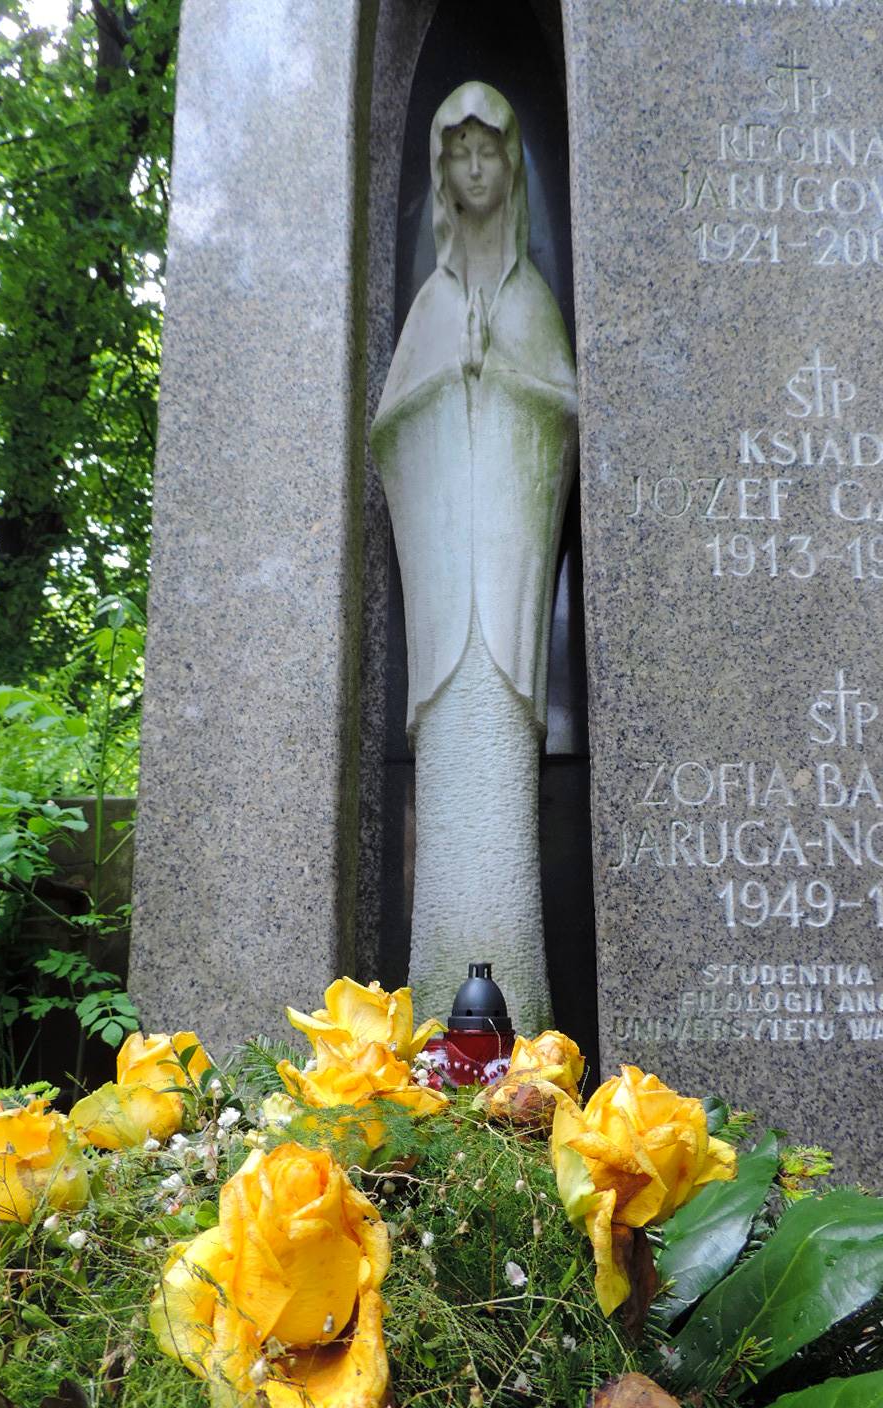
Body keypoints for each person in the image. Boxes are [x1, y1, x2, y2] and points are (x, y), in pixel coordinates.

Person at [371, 81, 578, 1033]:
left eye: (488, 149)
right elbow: (387, 431)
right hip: (448, 596)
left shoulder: (533, 299)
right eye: (456, 154)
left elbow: (568, 417)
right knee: (454, 813)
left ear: (511, 164)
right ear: (441, 173)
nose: (473, 168)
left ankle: (525, 1030)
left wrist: (504, 382)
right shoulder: (430, 302)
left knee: (505, 804)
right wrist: (447, 385)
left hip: (508, 581)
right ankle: (433, 1036)